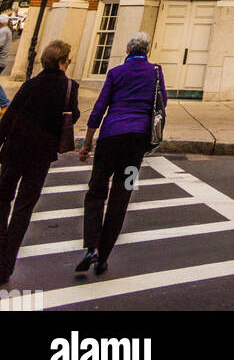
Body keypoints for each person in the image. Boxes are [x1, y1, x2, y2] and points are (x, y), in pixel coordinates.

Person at [76, 31, 166, 277]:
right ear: (147, 52)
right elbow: (162, 103)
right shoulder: (156, 73)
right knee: (121, 196)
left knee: (96, 190)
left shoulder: (115, 73)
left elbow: (99, 109)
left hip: (109, 140)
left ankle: (91, 246)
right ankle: (103, 256)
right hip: (136, 145)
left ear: (127, 51)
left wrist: (87, 143)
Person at [0, 40, 80, 283]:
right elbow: (72, 115)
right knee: (24, 208)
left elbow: (10, 116)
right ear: (61, 62)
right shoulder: (69, 87)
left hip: (15, 149)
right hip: (41, 155)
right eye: (67, 60)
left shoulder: (31, 84)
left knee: (3, 199)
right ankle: (6, 266)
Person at [0, 13, 12, 112]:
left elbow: (0, 45)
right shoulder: (7, 30)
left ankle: (5, 103)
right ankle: (5, 103)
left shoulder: (3, 31)